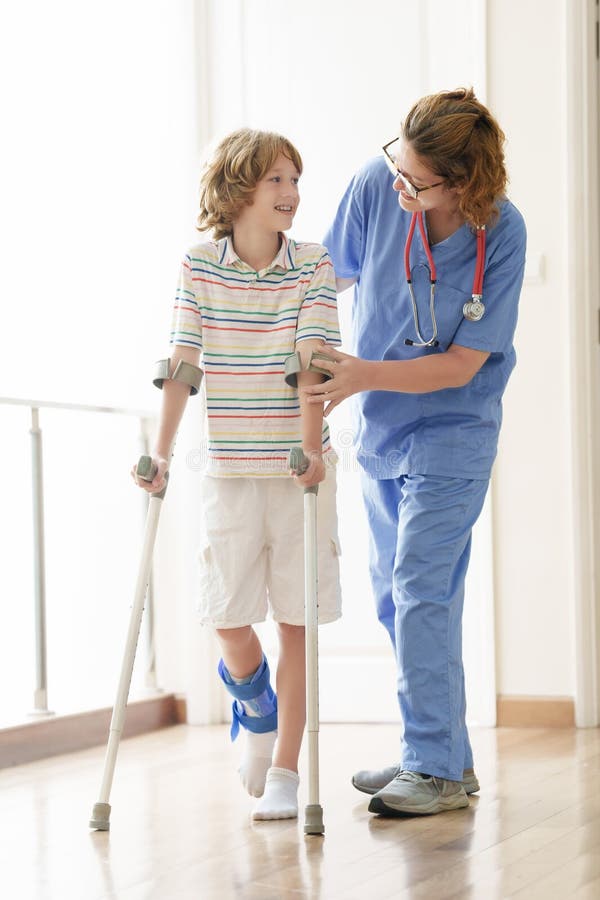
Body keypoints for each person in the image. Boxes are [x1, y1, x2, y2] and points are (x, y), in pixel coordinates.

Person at [303, 88, 526, 816]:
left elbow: (462, 364)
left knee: (421, 587)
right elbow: (322, 276)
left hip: (456, 430)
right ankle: (445, 762)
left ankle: (429, 762)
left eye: (417, 181)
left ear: (461, 184)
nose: (399, 184)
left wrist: (362, 372)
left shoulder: (504, 233)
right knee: (395, 599)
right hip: (383, 430)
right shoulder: (379, 183)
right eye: (396, 166)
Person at [133, 128, 342, 821]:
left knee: (297, 622)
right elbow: (182, 361)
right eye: (277, 180)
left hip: (297, 472)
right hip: (227, 470)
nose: (292, 193)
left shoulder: (312, 264)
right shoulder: (200, 265)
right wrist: (160, 453)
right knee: (226, 617)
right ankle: (255, 707)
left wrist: (310, 450)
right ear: (237, 190)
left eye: (295, 179)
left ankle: (286, 769)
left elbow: (314, 360)